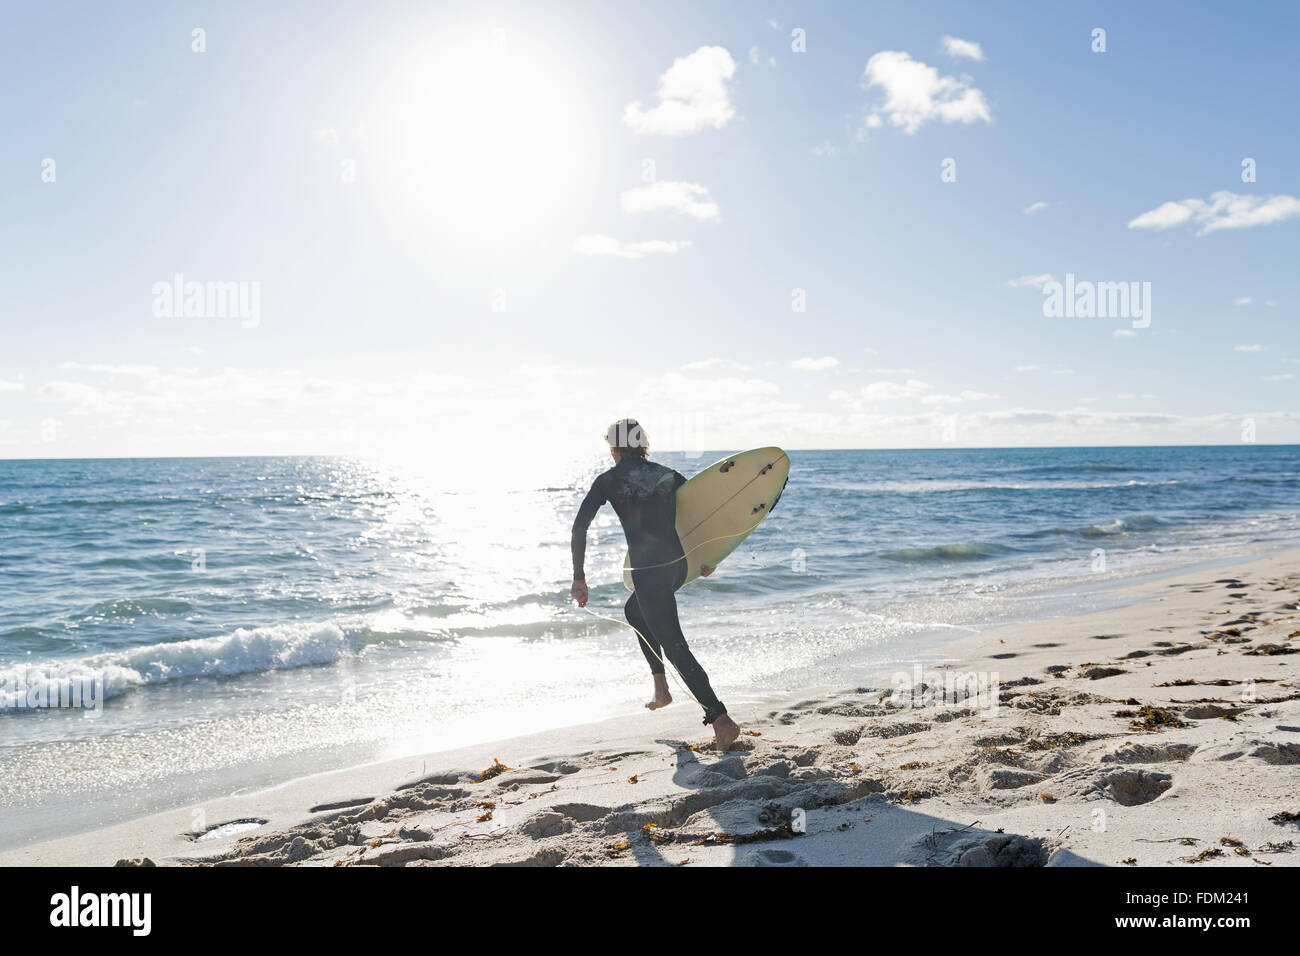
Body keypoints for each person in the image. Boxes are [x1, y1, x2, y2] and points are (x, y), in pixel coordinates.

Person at [570, 418, 741, 751]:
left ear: (614, 447)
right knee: (634, 610)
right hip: (677, 566)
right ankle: (661, 688)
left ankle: (721, 720)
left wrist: (579, 576)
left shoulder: (608, 480)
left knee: (676, 647)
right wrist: (710, 556)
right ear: (642, 444)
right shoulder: (667, 473)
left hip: (648, 571)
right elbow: (703, 514)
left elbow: (579, 528)